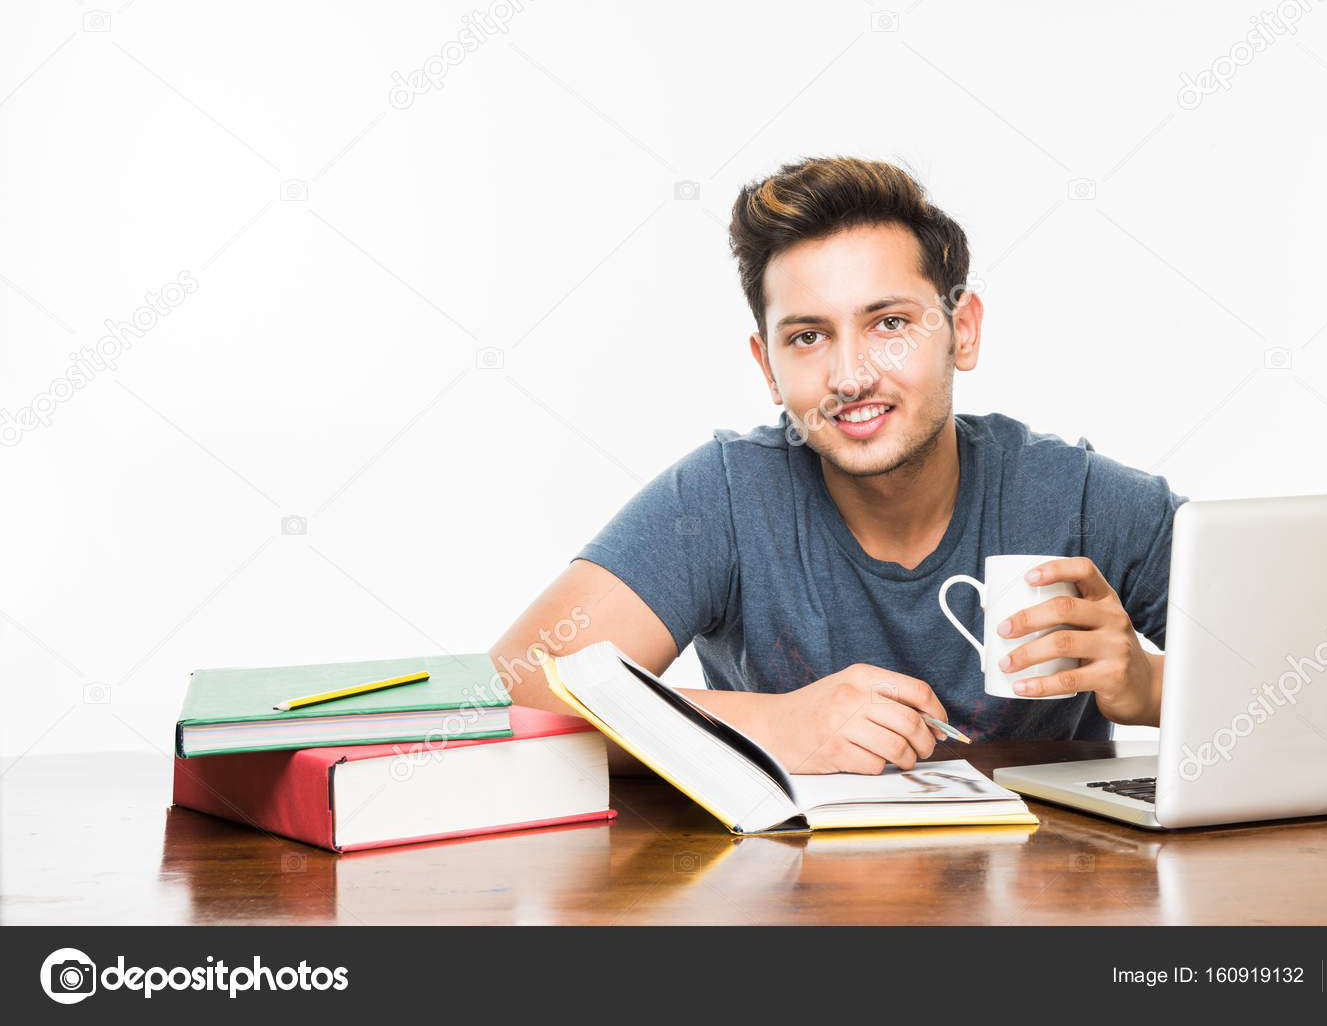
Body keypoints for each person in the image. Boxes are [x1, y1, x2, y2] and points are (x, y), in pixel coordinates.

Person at [492, 156, 1186, 776]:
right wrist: (770, 726)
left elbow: (1292, 670)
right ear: (767, 366)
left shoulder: (1080, 499)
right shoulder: (727, 497)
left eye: (889, 323)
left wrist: (1151, 688)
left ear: (961, 330)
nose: (850, 375)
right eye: (807, 336)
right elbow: (518, 691)